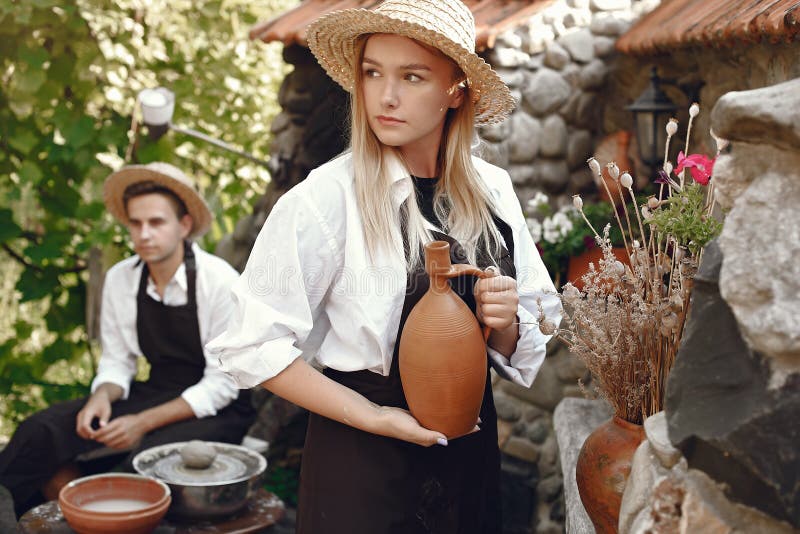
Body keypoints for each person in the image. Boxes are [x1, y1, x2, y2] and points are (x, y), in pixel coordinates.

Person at [207, 0, 561, 532]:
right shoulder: (326, 198)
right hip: (362, 462)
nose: (385, 96)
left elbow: (523, 340)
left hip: (467, 452)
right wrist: (372, 416)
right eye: (372, 73)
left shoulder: (495, 192)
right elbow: (250, 344)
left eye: (411, 76)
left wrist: (505, 323)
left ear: (456, 89)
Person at [0, 162, 255, 517]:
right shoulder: (122, 279)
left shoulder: (218, 281)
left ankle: (87, 502)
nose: (144, 234)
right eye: (136, 224)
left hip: (218, 407)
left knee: (147, 465)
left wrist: (141, 423)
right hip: (156, 390)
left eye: (156, 222)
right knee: (38, 432)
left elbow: (223, 383)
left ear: (184, 226)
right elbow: (118, 361)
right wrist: (102, 396)